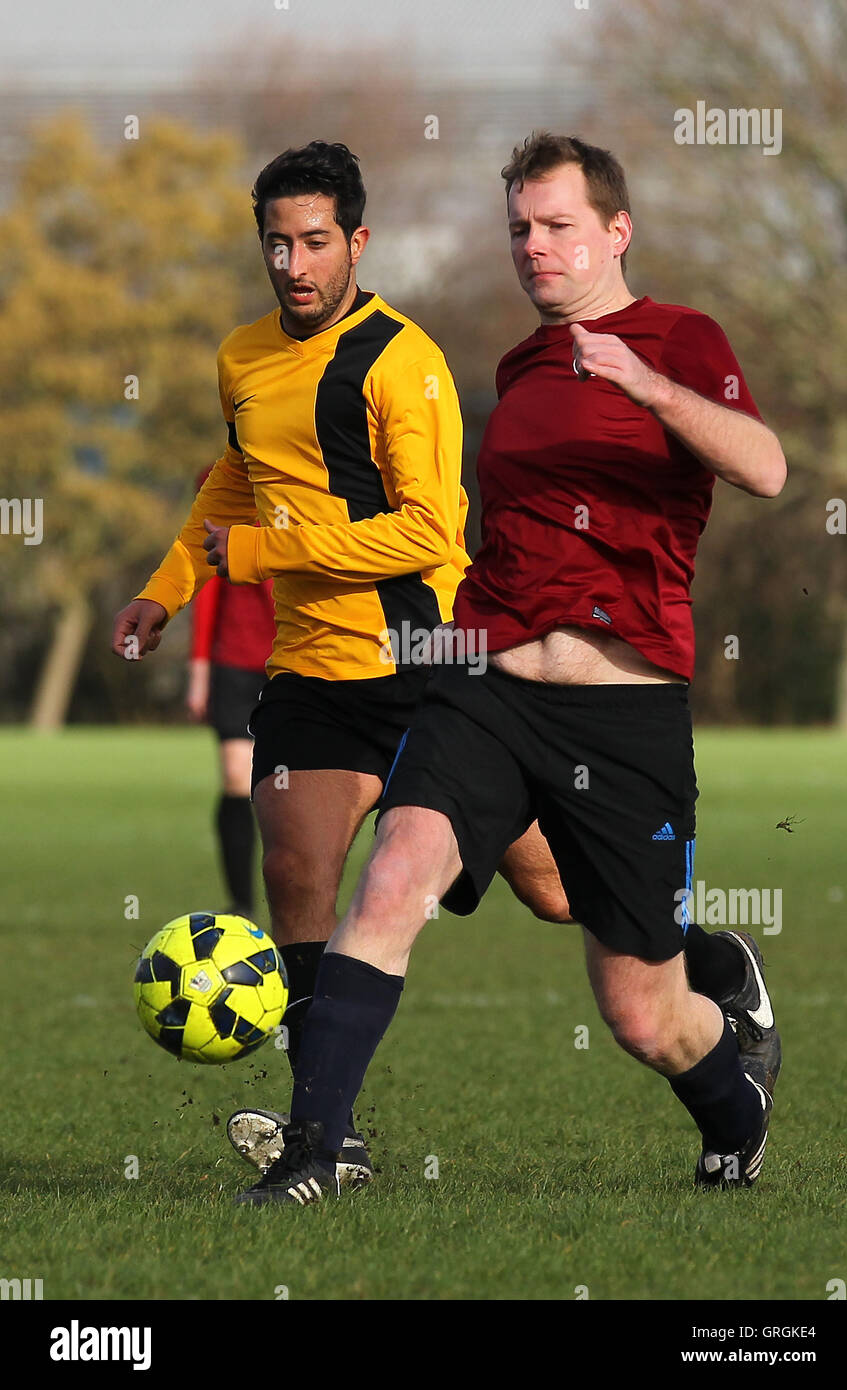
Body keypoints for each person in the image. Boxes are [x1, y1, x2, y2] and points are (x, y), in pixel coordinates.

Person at [233, 132, 787, 1207]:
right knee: (391, 880)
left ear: (614, 231)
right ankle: (317, 1148)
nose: (533, 248)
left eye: (556, 226)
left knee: (640, 1013)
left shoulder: (679, 336)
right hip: (484, 688)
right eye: (518, 230)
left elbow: (764, 466)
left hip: (621, 716)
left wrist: (650, 386)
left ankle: (733, 1102)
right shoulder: (521, 366)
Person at [111, 140, 573, 1189]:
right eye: (275, 242)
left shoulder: (399, 360)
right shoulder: (241, 357)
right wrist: (165, 589)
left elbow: (426, 530)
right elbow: (231, 488)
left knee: (557, 891)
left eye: (313, 240)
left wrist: (269, 551)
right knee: (297, 872)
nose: (292, 262)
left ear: (356, 241)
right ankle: (328, 1137)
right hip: (312, 673)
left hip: (428, 661)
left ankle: (713, 968)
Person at [186, 465, 276, 921]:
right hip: (236, 661)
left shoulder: (317, 475)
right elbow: (205, 581)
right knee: (237, 780)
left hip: (298, 658)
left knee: (295, 789)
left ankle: (296, 901)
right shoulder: (218, 480)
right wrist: (199, 667)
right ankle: (241, 904)